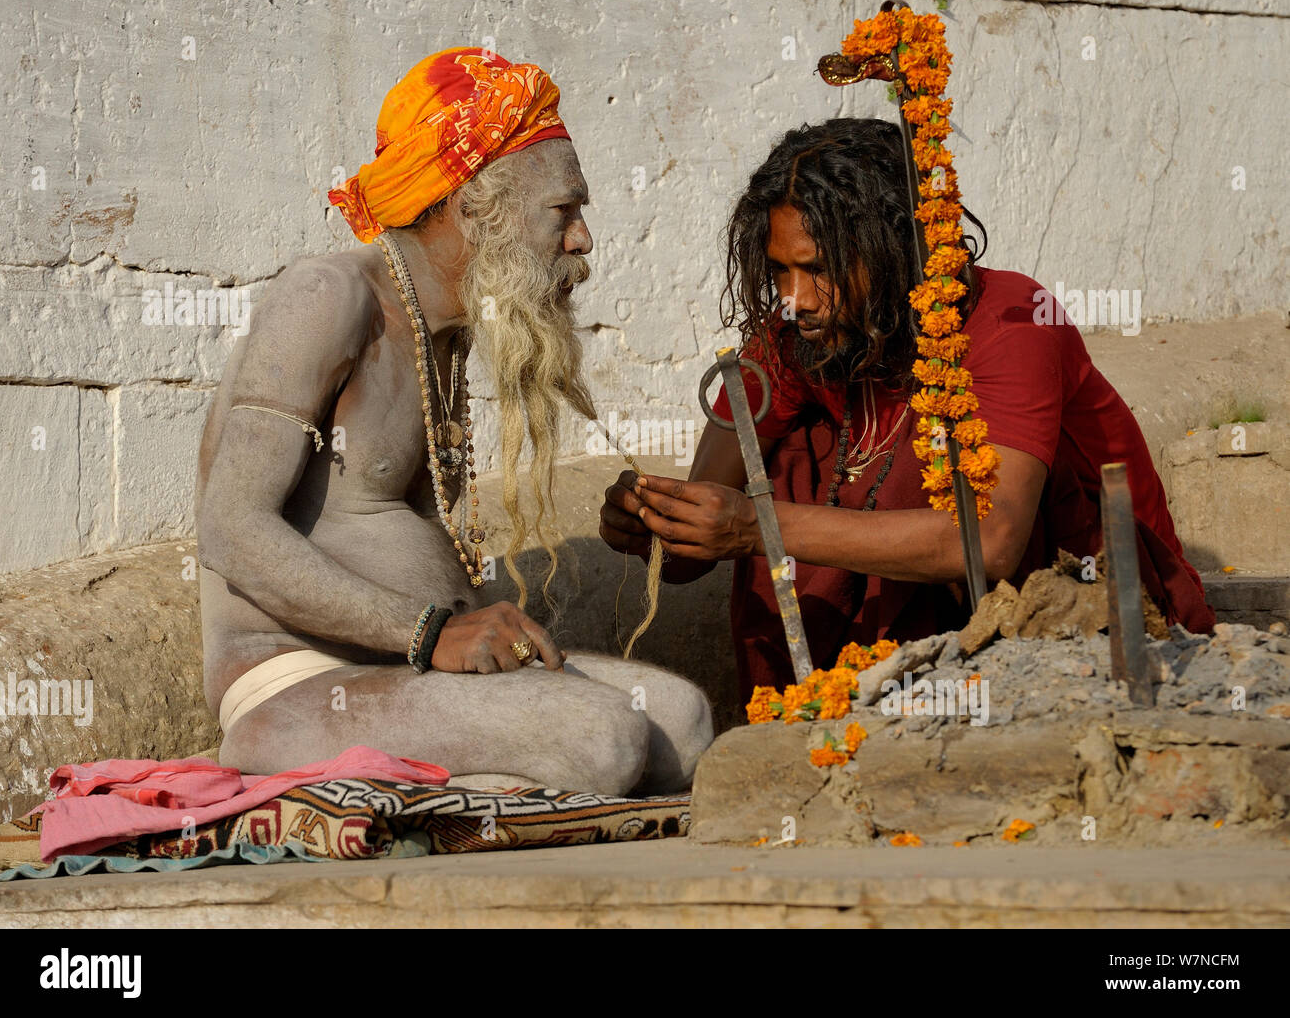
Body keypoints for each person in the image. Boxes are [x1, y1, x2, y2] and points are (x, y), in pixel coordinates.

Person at [196, 47, 712, 793]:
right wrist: (430, 632)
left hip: (416, 676)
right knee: (605, 738)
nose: (583, 242)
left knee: (684, 719)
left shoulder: (445, 331)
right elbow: (230, 528)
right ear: (477, 206)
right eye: (565, 212)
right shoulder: (327, 295)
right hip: (304, 685)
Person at [599, 118, 1214, 701]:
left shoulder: (1010, 319)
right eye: (780, 272)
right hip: (883, 647)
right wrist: (657, 524)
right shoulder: (790, 336)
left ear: (893, 249)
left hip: (1089, 615)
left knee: (926, 455)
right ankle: (827, 715)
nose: (794, 299)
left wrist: (750, 524)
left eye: (816, 270)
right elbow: (703, 535)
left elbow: (993, 540)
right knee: (790, 457)